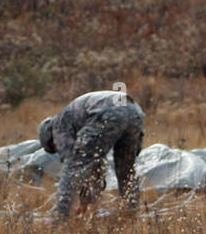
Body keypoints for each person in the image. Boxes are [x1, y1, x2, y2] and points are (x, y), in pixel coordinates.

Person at [38, 90, 145, 220]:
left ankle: (60, 220)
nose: (58, 149)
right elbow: (94, 164)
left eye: (53, 147)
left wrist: (84, 199)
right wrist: (88, 199)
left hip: (107, 112)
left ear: (50, 137)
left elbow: (77, 166)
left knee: (72, 168)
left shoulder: (59, 126)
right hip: (134, 111)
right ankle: (130, 215)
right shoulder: (75, 117)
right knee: (126, 170)